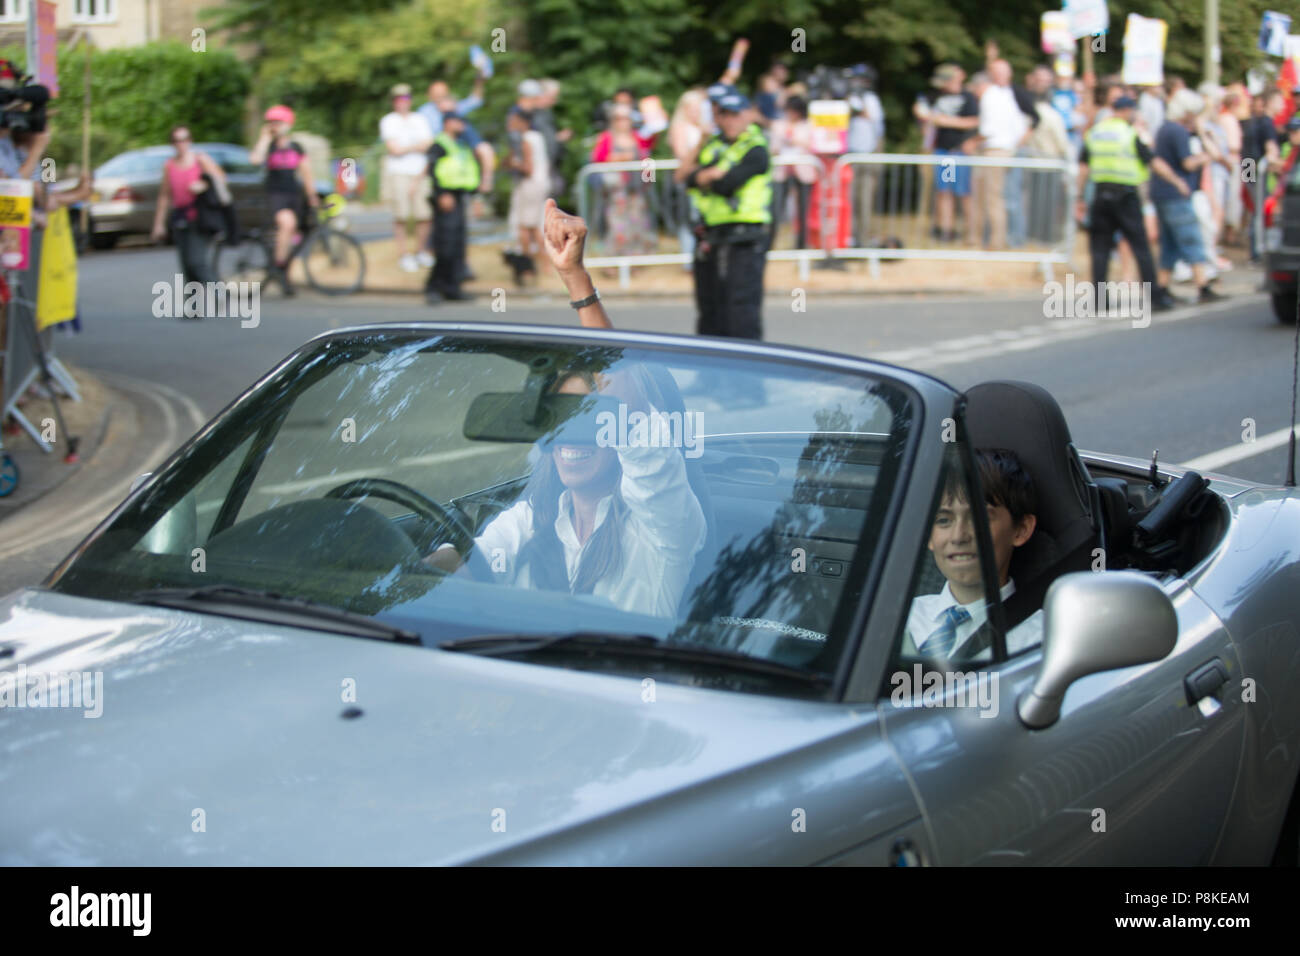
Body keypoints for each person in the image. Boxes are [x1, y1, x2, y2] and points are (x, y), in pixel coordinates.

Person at [902, 448, 1042, 661]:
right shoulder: (898, 618)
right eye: (943, 520)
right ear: (928, 536)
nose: (958, 537)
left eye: (979, 519)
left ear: (1021, 529)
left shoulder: (1041, 639)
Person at [677, 91, 771, 343]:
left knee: (740, 305)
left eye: (735, 115)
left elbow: (726, 184)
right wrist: (707, 175)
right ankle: (711, 361)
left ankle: (746, 361)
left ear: (747, 115)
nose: (730, 121)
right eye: (724, 115)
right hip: (710, 232)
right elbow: (684, 178)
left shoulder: (755, 148)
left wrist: (704, 178)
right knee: (710, 304)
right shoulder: (713, 144)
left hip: (745, 234)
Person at [1077, 96, 1184, 314]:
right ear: (1127, 111)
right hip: (1125, 196)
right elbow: (1152, 161)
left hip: (1101, 194)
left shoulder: (1096, 132)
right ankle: (1155, 296)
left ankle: (1099, 299)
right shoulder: (1128, 133)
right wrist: (1176, 181)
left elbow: (1084, 168)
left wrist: (1079, 197)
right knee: (1141, 247)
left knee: (1100, 249)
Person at [1151, 90, 1223, 304]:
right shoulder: (1178, 131)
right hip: (1177, 193)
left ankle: (1162, 288)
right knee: (1191, 238)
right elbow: (1188, 162)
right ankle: (1203, 286)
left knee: (1170, 244)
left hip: (1162, 193)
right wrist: (1206, 156)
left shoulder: (1165, 128)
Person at [249, 105, 319, 296]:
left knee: (295, 236)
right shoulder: (269, 146)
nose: (275, 126)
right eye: (272, 123)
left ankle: (283, 274)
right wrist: (264, 137)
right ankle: (278, 267)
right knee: (287, 224)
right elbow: (255, 160)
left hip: (293, 195)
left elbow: (307, 172)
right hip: (275, 195)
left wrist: (312, 196)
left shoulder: (296, 147)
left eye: (278, 123)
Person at [151, 125, 227, 291]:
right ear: (172, 143)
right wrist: (159, 224)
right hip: (180, 216)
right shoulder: (169, 165)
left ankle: (220, 291)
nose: (181, 144)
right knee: (186, 264)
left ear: (190, 141)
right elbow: (164, 195)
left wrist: (204, 184)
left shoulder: (200, 160)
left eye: (184, 140)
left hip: (199, 217)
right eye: (177, 141)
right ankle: (193, 307)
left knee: (196, 261)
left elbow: (220, 178)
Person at [916, 64, 979, 242]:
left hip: (960, 152)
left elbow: (974, 121)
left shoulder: (967, 97)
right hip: (944, 153)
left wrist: (946, 121)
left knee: (964, 193)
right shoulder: (935, 96)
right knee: (945, 191)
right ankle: (947, 230)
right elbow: (921, 111)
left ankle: (971, 233)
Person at [424, 112, 479, 304]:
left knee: (457, 244)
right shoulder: (440, 144)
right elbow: (432, 170)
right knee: (445, 244)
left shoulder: (460, 144)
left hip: (459, 196)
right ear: (447, 123)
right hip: (445, 196)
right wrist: (441, 194)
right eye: (458, 121)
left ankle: (452, 287)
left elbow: (466, 169)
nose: (462, 125)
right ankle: (434, 287)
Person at [379, 83, 434, 273]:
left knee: (424, 214)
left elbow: (428, 144)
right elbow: (394, 149)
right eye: (398, 99)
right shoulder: (389, 121)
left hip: (419, 172)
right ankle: (404, 255)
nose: (402, 103)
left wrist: (406, 147)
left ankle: (420, 251)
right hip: (398, 173)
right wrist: (415, 146)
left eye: (405, 99)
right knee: (401, 215)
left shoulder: (420, 119)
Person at [590, 102, 656, 260]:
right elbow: (598, 160)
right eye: (618, 118)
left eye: (625, 118)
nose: (622, 122)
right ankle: (615, 261)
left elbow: (648, 155)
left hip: (636, 188)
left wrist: (648, 181)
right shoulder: (606, 138)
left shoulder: (637, 137)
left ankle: (635, 260)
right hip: (616, 189)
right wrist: (619, 159)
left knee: (637, 222)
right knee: (617, 225)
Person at [502, 106, 549, 285]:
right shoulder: (537, 137)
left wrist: (514, 164)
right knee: (535, 224)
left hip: (529, 186)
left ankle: (529, 265)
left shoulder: (526, 140)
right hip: (539, 184)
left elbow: (528, 168)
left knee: (526, 227)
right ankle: (542, 263)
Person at [767, 95, 817, 249]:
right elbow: (772, 148)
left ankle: (801, 246)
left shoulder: (809, 126)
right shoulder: (778, 125)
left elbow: (813, 145)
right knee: (776, 210)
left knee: (803, 211)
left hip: (803, 172)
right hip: (781, 172)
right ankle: (769, 244)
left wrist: (793, 139)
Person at [669, 88, 711, 265]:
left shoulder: (704, 127)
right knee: (689, 220)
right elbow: (683, 158)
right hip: (688, 181)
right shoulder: (680, 128)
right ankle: (689, 260)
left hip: (703, 181)